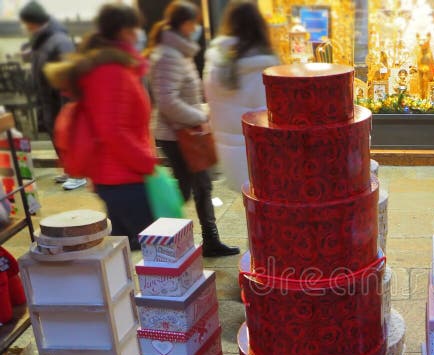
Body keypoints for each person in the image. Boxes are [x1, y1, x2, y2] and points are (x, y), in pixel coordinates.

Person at [43, 4, 155, 249]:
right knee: (154, 250)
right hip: (123, 177)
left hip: (119, 175)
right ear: (126, 31)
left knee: (133, 247)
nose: (139, 35)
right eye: (136, 29)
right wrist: (146, 161)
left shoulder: (114, 66)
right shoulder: (110, 71)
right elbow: (113, 131)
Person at [147, 1, 239, 257]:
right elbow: (166, 101)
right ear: (184, 24)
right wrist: (199, 114)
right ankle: (161, 239)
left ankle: (206, 240)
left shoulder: (178, 52)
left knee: (200, 186)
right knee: (190, 189)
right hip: (178, 134)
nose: (197, 27)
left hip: (185, 131)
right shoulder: (169, 55)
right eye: (194, 22)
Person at [203, 0, 279, 191]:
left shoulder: (215, 59)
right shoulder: (265, 64)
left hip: (227, 151)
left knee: (246, 196)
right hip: (261, 154)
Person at [18, 1, 86, 190]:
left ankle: (79, 173)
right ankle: (69, 169)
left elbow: (69, 74)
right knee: (57, 136)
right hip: (48, 98)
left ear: (34, 21)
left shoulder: (59, 40)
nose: (26, 27)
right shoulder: (42, 39)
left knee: (67, 135)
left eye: (27, 22)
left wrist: (69, 105)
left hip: (60, 99)